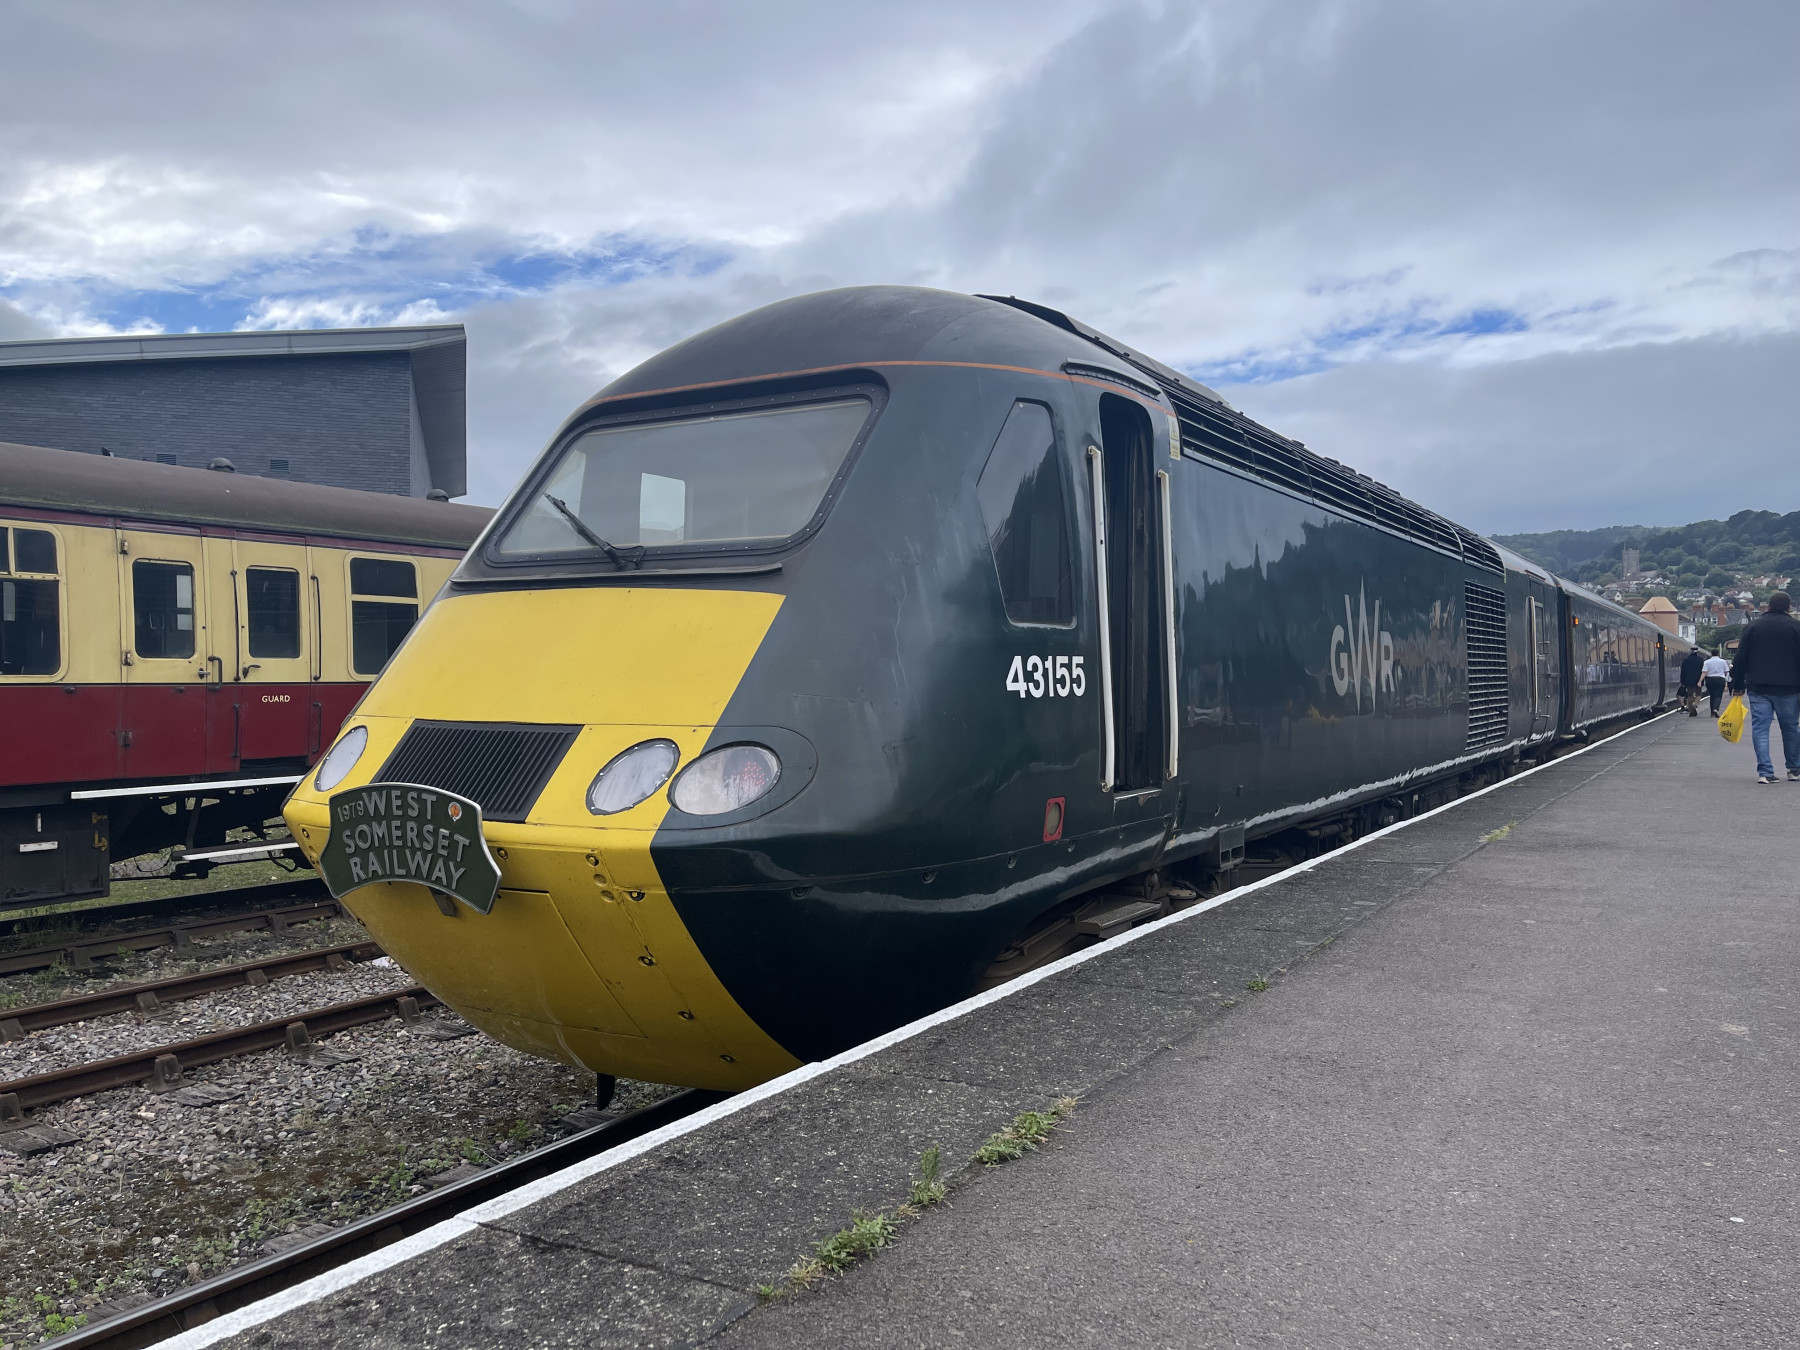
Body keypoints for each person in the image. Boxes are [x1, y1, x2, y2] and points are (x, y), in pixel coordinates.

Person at [1728, 591, 1800, 784]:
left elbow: (1741, 658)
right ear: (1789, 607)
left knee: (1760, 728)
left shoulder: (1753, 627)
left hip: (1758, 686)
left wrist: (1737, 686)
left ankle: (1765, 772)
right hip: (1789, 687)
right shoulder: (1796, 627)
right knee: (1791, 728)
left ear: (1767, 606)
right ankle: (1793, 770)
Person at [1702, 649, 1731, 717]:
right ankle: (1716, 709)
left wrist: (1700, 681)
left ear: (1711, 654)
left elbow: (1704, 672)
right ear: (1718, 654)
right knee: (1718, 695)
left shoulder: (1707, 662)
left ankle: (1712, 712)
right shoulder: (1723, 661)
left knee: (1712, 696)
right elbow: (1726, 671)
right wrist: (1726, 683)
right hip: (1720, 679)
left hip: (1710, 679)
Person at [1678, 646, 1706, 716]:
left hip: (1688, 680)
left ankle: (1692, 712)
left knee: (1689, 695)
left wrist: (1683, 682)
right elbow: (1703, 671)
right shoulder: (1701, 660)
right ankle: (1695, 703)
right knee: (1698, 694)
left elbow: (1683, 672)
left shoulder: (1686, 660)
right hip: (1698, 680)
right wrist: (1702, 680)